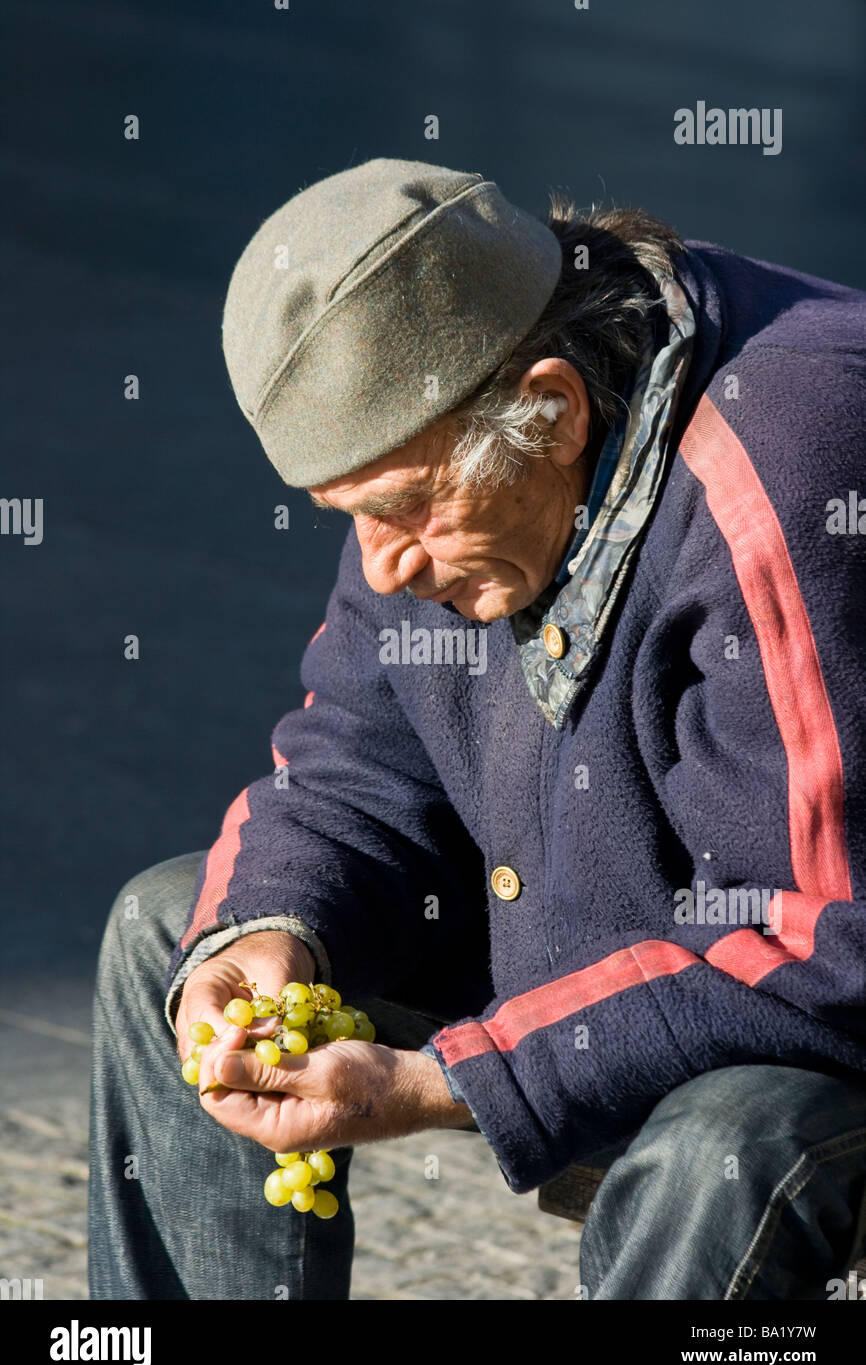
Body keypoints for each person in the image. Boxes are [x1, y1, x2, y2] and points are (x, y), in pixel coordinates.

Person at [88, 157, 866, 1301]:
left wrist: (460, 1079)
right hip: (636, 949)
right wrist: (265, 935)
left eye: (402, 510)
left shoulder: (794, 467)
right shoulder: (438, 420)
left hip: (816, 1001)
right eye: (346, 516)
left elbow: (830, 948)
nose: (381, 566)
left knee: (726, 1148)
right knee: (175, 931)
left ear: (551, 410)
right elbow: (355, 760)